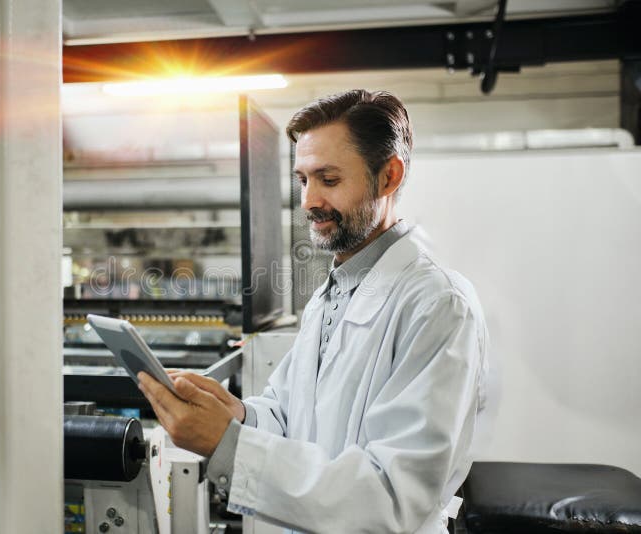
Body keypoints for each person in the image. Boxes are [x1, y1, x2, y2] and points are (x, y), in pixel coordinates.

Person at [138, 89, 489, 533]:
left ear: (388, 177)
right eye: (303, 180)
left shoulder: (438, 306)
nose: (308, 201)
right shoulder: (331, 294)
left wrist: (227, 445)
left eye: (329, 179)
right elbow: (289, 416)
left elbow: (392, 497)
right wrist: (235, 415)